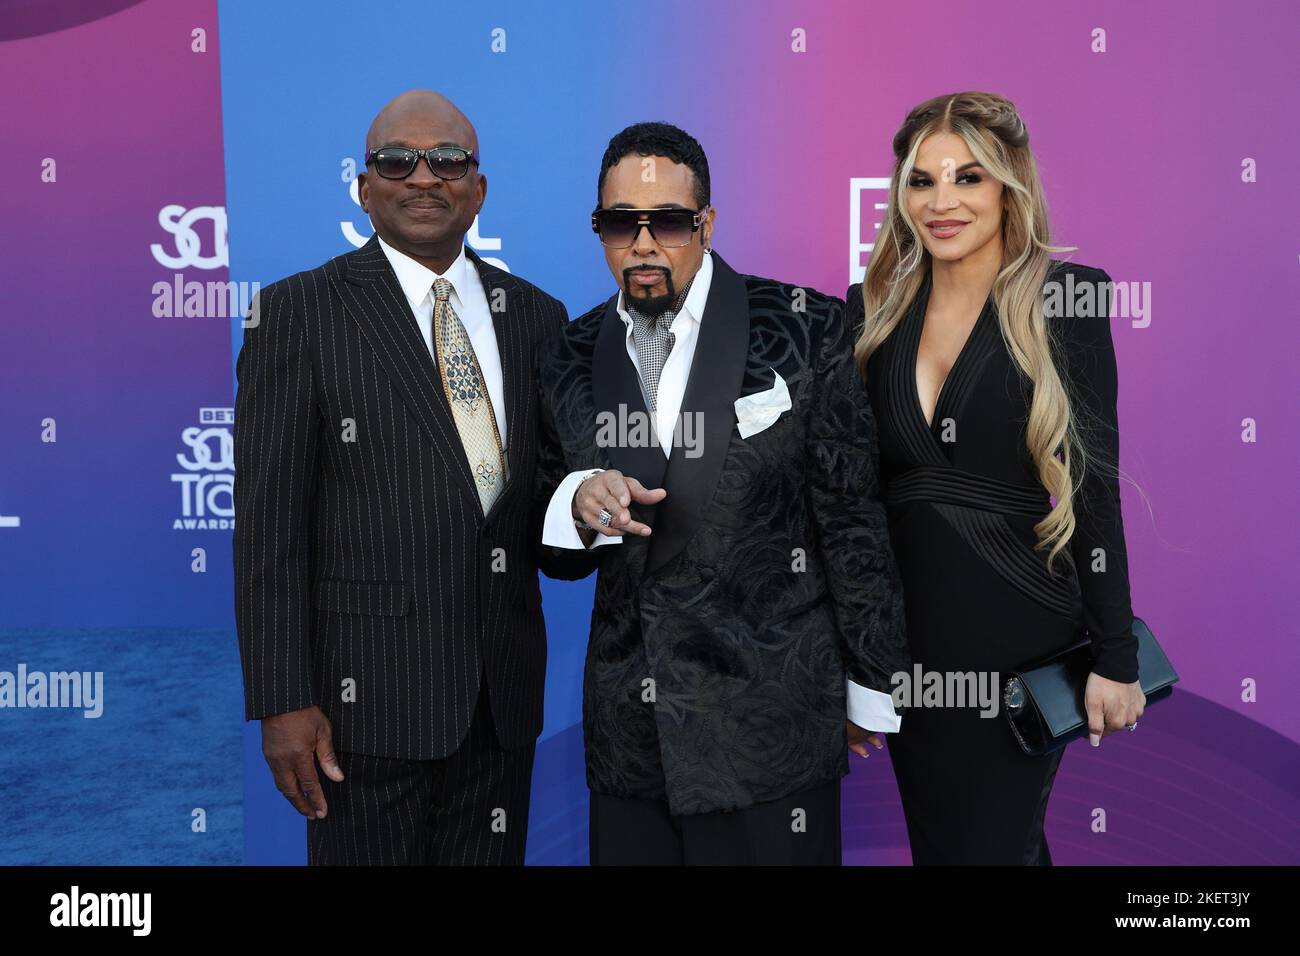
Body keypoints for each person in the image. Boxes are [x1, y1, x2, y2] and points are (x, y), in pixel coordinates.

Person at [537, 122, 909, 865]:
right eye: (619, 224)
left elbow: (853, 517)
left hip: (771, 719)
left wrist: (872, 684)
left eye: (667, 221)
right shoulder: (568, 352)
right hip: (630, 737)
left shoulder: (805, 329)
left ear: (706, 223)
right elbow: (555, 542)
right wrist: (576, 501)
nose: (643, 244)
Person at [233, 90, 588, 865]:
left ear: (479, 188)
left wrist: (588, 514)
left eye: (449, 160)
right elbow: (268, 531)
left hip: (501, 707)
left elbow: (544, 506)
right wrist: (283, 700)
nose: (423, 176)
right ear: (364, 187)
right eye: (398, 161)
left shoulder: (537, 316)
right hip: (362, 712)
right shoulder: (297, 313)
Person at [845, 91, 1146, 865]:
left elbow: (1092, 482)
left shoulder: (1063, 298)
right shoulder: (870, 310)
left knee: (987, 847)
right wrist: (854, 658)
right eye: (922, 180)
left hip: (1019, 635)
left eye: (968, 178)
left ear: (1010, 183)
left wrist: (1115, 656)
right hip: (909, 646)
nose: (942, 202)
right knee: (951, 849)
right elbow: (848, 502)